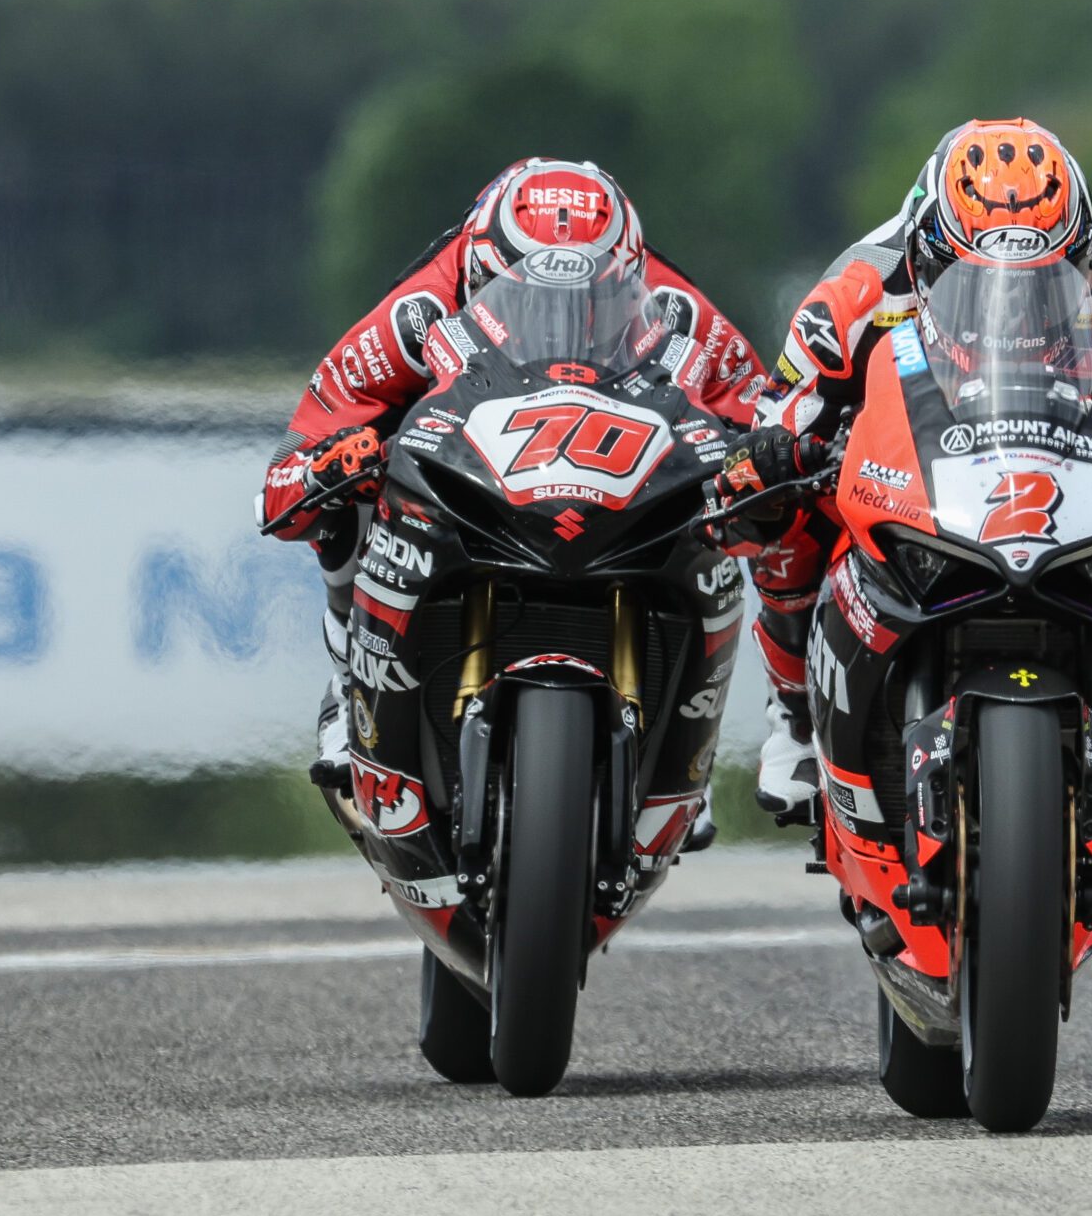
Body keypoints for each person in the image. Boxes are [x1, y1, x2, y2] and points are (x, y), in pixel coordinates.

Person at [716, 118, 1092, 882]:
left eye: (1044, 282)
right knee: (785, 502)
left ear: (1081, 255)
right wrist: (771, 456)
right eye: (978, 281)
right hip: (909, 467)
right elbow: (777, 419)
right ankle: (792, 711)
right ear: (927, 254)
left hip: (1063, 466)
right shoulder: (854, 290)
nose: (1015, 303)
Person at [260, 158, 769, 845]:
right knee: (342, 493)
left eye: (588, 300)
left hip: (616, 477)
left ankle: (684, 750)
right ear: (475, 273)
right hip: (467, 465)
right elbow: (287, 477)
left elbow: (772, 428)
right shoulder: (418, 306)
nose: (557, 319)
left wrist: (757, 470)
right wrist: (333, 466)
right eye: (528, 298)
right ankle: (348, 685)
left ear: (630, 276)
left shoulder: (679, 308)